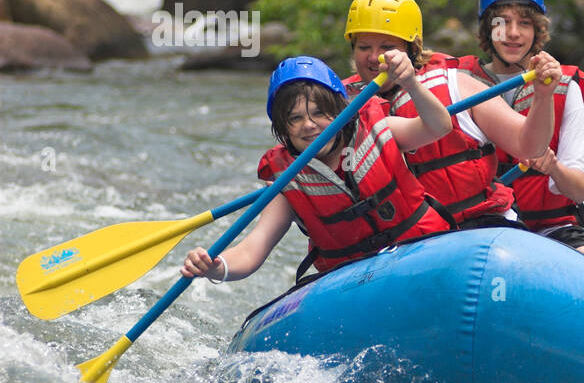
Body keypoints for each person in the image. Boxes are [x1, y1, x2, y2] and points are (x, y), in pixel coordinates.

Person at [181, 51, 455, 283]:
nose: (309, 125)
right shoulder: (286, 179)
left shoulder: (375, 127)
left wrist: (410, 83)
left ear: (338, 110)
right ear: (283, 129)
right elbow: (254, 249)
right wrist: (215, 267)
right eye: (295, 118)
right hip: (354, 281)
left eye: (319, 113)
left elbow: (438, 127)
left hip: (422, 251)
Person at [341, 0, 563, 228]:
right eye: (364, 47)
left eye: (386, 47)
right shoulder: (339, 104)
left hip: (480, 225)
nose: (375, 57)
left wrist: (543, 96)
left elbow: (529, 146)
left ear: (411, 49)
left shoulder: (455, 85)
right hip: (403, 241)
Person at [458, 0, 584, 258]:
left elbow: (578, 192)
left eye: (524, 23)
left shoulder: (564, 88)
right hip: (486, 228)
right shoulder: (462, 85)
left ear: (537, 31)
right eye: (502, 23)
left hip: (555, 229)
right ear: (487, 30)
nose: (513, 33)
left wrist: (554, 168)